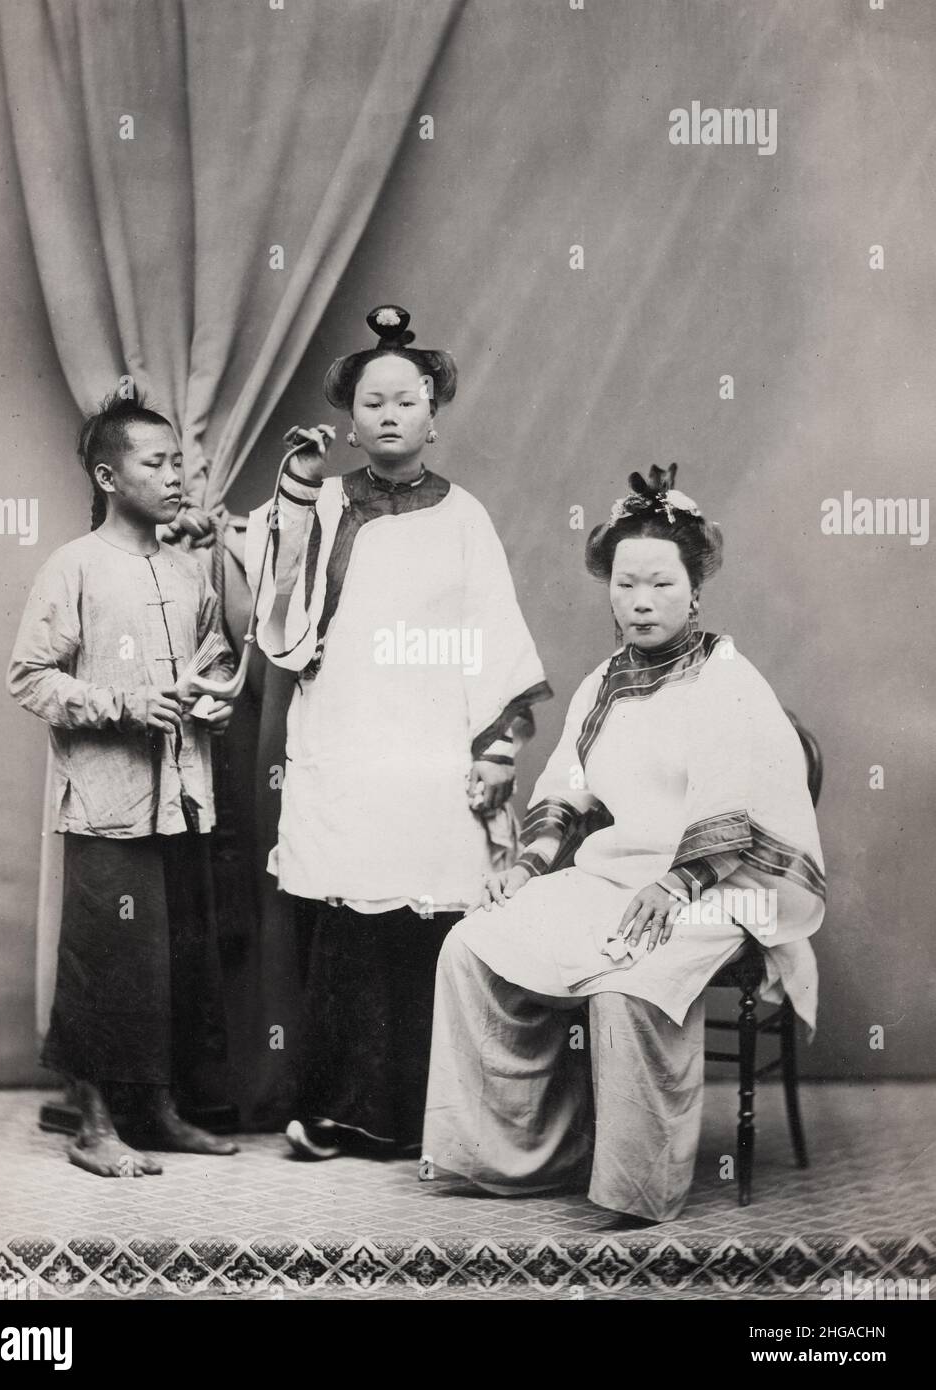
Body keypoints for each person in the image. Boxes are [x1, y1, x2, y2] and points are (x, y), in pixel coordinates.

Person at [423, 464, 826, 1223]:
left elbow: (734, 808)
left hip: (720, 885)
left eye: (660, 585)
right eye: (624, 584)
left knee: (626, 984)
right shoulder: (602, 683)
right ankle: (518, 1156)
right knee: (471, 947)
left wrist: (675, 885)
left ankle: (634, 1187)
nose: (640, 601)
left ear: (694, 589)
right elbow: (564, 790)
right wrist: (528, 863)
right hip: (616, 877)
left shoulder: (727, 680)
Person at [244, 305, 551, 1160]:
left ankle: (421, 1116)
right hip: (348, 741)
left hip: (431, 749)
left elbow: (493, 634)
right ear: (350, 419)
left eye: (405, 400)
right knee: (348, 930)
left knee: (427, 930)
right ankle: (331, 1111)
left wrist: (497, 750)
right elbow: (283, 625)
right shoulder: (327, 501)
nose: (388, 414)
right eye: (372, 402)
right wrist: (300, 492)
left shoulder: (465, 518)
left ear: (431, 415)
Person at [7, 387, 240, 1177]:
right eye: (156, 462)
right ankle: (93, 1126)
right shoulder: (73, 566)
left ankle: (159, 1113)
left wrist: (211, 698)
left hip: (182, 803)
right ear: (109, 477)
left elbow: (214, 666)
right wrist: (123, 705)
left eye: (179, 461)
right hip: (105, 806)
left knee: (173, 960)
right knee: (102, 962)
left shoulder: (187, 573)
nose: (175, 475)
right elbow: (30, 677)